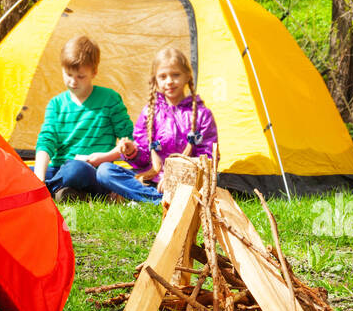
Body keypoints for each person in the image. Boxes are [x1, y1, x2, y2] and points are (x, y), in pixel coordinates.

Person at [97, 47, 217, 203]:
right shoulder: (150, 112)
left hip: (186, 182)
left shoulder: (202, 114)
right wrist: (132, 151)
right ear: (155, 80)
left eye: (175, 75)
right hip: (153, 180)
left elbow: (207, 158)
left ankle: (157, 199)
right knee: (105, 171)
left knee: (207, 180)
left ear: (187, 76)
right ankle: (159, 200)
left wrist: (175, 178)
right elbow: (143, 159)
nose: (169, 81)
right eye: (163, 76)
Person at [32, 35, 138, 203]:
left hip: (93, 170)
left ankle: (45, 192)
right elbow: (46, 141)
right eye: (68, 75)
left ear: (94, 72)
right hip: (61, 169)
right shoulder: (56, 104)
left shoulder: (110, 99)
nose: (73, 82)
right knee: (25, 171)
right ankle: (66, 192)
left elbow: (129, 141)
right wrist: (39, 176)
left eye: (80, 76)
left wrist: (103, 157)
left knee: (76, 170)